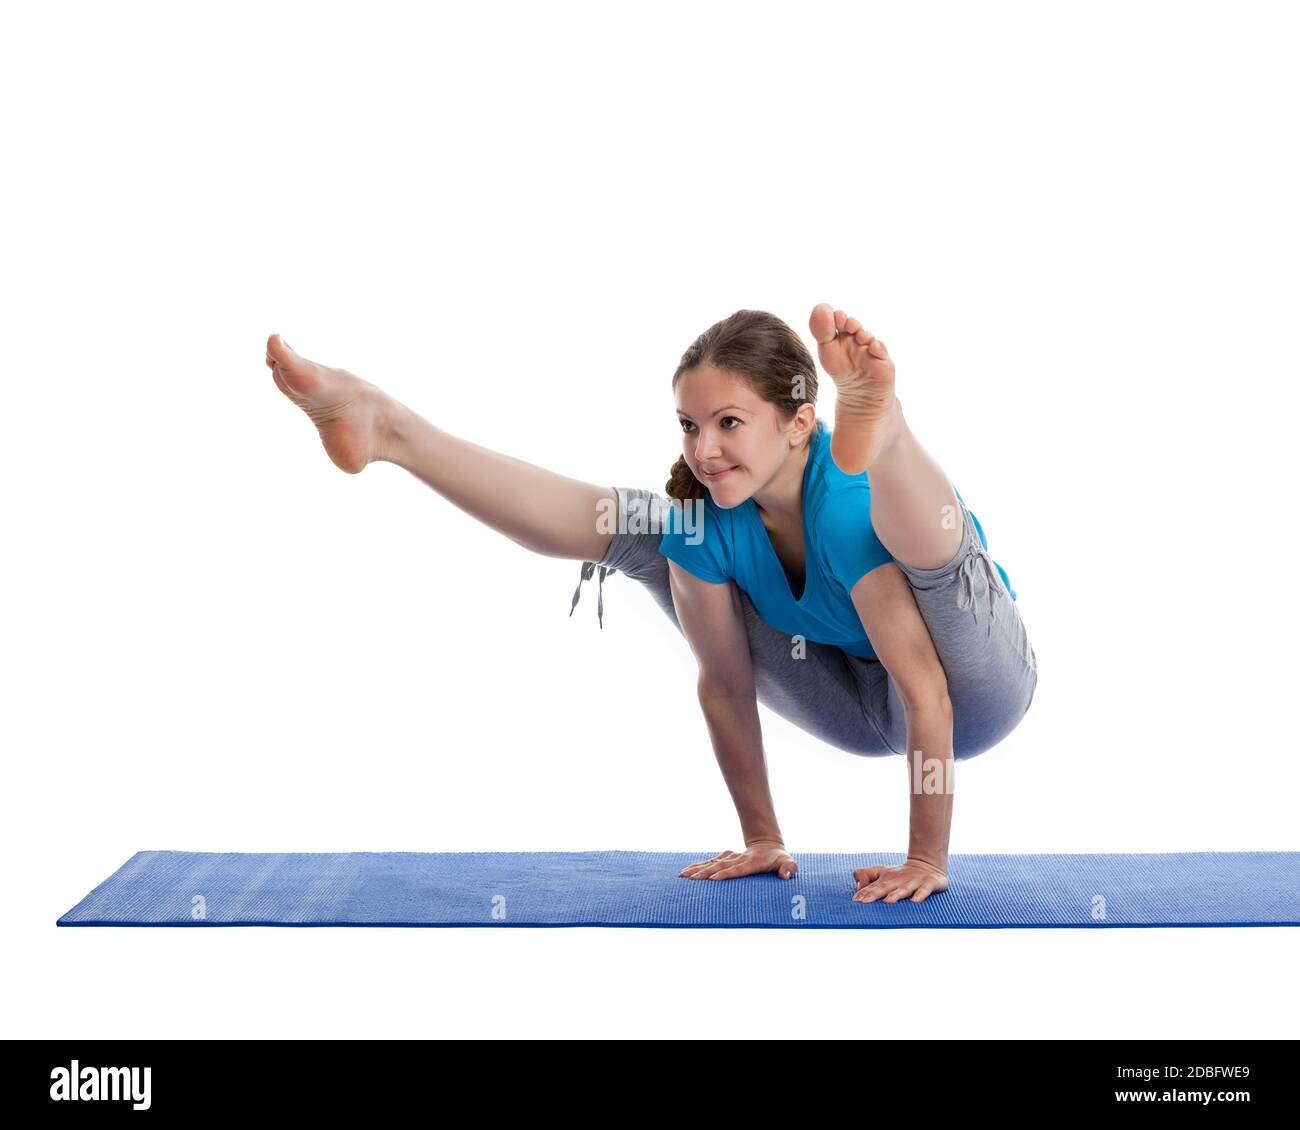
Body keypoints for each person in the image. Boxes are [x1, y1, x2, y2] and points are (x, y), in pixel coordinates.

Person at [264, 304, 1037, 906]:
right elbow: (725, 684)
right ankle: (391, 429)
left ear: (802, 422)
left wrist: (926, 858)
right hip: (874, 711)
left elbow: (930, 689)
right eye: (691, 426)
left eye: (729, 423)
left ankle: (890, 431)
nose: (703, 449)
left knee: (929, 555)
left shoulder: (843, 510)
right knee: (652, 527)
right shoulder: (710, 523)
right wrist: (762, 838)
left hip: (975, 684)